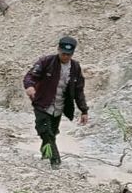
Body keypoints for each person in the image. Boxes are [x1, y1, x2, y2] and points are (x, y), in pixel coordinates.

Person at [23, 35, 90, 168]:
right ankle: (55, 161)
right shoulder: (46, 62)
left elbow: (78, 90)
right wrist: (30, 86)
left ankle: (45, 152)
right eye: (63, 53)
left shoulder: (75, 68)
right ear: (58, 50)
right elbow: (30, 76)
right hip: (42, 103)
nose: (65, 57)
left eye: (68, 55)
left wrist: (84, 110)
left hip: (59, 107)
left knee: (52, 132)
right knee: (45, 131)